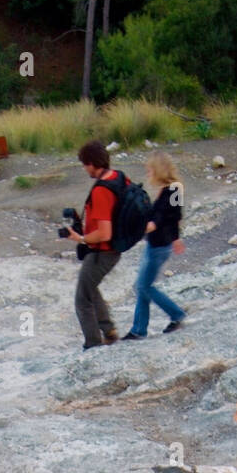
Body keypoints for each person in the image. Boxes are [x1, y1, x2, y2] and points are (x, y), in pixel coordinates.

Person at [122, 150, 186, 340]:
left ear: (158, 170)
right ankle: (138, 329)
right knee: (143, 286)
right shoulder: (173, 188)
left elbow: (164, 218)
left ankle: (176, 314)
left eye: (150, 170)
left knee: (144, 286)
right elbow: (174, 216)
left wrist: (135, 230)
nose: (148, 174)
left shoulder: (172, 190)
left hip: (159, 245)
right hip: (159, 244)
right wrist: (176, 237)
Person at [67, 141, 122, 350]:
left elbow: (104, 233)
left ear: (92, 163)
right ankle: (109, 329)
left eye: (84, 164)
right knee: (90, 286)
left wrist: (80, 239)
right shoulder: (117, 176)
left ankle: (93, 345)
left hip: (103, 251)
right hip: (114, 248)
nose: (84, 169)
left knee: (82, 299)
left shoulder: (101, 190)